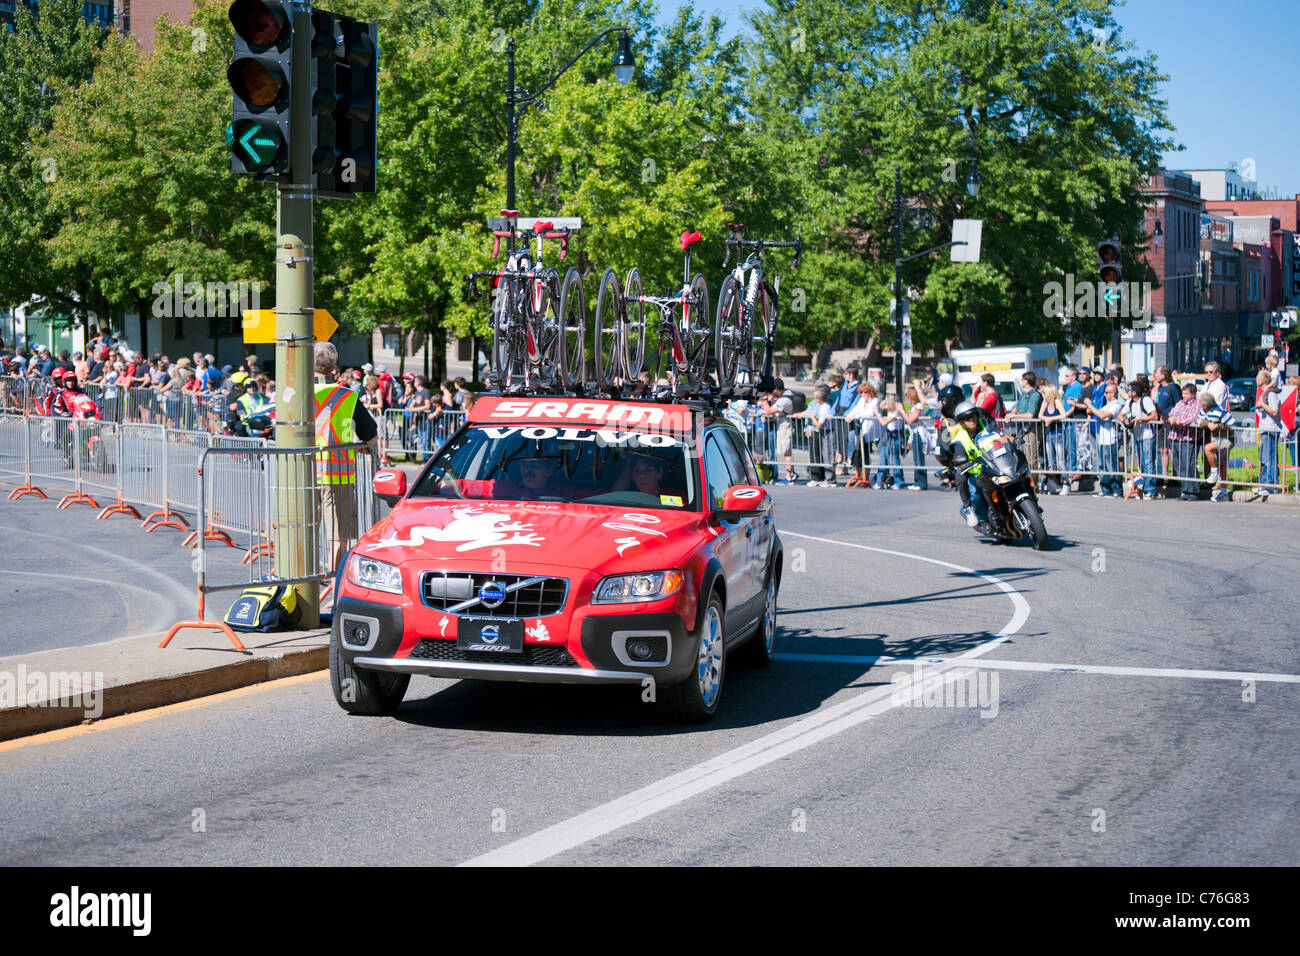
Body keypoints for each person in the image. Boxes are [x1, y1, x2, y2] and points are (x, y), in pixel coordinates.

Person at [315, 342, 382, 571]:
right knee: (338, 536)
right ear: (334, 367)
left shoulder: (294, 393)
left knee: (302, 533)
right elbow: (371, 436)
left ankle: (304, 585)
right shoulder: (347, 396)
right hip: (337, 474)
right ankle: (334, 586)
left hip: (299, 474)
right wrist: (359, 445)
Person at [947, 401, 993, 533]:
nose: (971, 419)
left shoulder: (987, 426)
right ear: (962, 422)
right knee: (977, 493)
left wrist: (1008, 439)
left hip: (993, 465)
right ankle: (983, 521)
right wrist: (962, 461)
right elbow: (958, 453)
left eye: (973, 416)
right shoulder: (960, 437)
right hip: (977, 472)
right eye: (967, 418)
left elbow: (999, 435)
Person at [1085, 381, 1124, 498]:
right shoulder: (1107, 404)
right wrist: (1092, 409)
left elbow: (1102, 415)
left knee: (1112, 465)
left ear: (1112, 393)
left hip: (1111, 439)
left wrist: (1091, 406)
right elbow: (1092, 412)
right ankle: (1105, 489)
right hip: (1103, 438)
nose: (1105, 395)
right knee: (1103, 466)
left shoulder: (1116, 405)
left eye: (1106, 393)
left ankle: (1117, 489)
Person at [1121, 378, 1159, 499]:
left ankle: (1150, 490)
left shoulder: (1146, 400)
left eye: (1129, 389)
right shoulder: (1130, 402)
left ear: (1135, 391)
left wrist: (1141, 419)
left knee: (1148, 463)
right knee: (1141, 464)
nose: (1127, 391)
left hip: (1147, 435)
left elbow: (1154, 415)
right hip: (1137, 435)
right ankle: (1144, 488)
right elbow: (1120, 415)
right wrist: (1126, 421)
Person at [1166, 384, 1202, 500]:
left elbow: (1192, 418)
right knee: (1178, 465)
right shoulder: (1180, 403)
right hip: (1176, 437)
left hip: (1189, 439)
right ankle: (1185, 490)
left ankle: (1193, 491)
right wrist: (1173, 419)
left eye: (1186, 394)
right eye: (1183, 393)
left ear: (1193, 394)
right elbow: (1172, 414)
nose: (1183, 396)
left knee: (1189, 464)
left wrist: (1178, 421)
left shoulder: (1196, 405)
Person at [1195, 391, 1233, 500]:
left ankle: (1214, 474)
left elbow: (1231, 423)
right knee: (1221, 464)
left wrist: (1217, 426)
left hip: (1226, 439)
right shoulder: (1204, 411)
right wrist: (1208, 424)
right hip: (1216, 439)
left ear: (1206, 405)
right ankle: (1223, 492)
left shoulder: (1219, 411)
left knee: (1219, 461)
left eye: (1201, 404)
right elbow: (1199, 420)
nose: (1200, 406)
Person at [1004, 371, 1043, 477]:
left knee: (1031, 459)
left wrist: (1014, 416)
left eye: (1022, 380)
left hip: (1031, 430)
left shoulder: (1035, 395)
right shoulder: (1024, 394)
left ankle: (1034, 485)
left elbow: (1030, 415)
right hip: (1021, 430)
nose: (1021, 381)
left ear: (1026, 381)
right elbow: (1016, 408)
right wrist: (1010, 415)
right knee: (1021, 458)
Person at [758, 380, 795, 484]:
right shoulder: (786, 394)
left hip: (785, 427)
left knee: (786, 452)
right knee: (786, 451)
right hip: (783, 425)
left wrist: (765, 400)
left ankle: (789, 477)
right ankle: (792, 474)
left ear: (778, 390)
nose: (772, 395)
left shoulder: (784, 399)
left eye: (773, 392)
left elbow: (769, 411)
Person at [1252, 367, 1282, 498]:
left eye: (1257, 377)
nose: (1256, 379)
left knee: (1270, 458)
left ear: (1262, 380)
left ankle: (1270, 485)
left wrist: (1263, 406)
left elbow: (1274, 411)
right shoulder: (1264, 394)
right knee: (1265, 458)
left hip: (1271, 429)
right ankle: (1265, 483)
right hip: (1265, 428)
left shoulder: (1271, 394)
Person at [1039, 384, 1067, 494]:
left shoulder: (1057, 402)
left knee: (1060, 460)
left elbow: (1063, 415)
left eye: (1044, 392)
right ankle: (1053, 483)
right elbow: (1040, 414)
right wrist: (1046, 418)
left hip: (1058, 433)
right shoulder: (1045, 402)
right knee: (1051, 460)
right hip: (1049, 433)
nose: (1043, 394)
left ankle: (1065, 482)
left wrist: (1051, 419)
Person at [874, 395, 905, 489]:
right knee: (883, 458)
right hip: (888, 434)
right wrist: (883, 403)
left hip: (895, 434)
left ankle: (899, 481)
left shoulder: (897, 410)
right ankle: (880, 480)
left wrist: (877, 413)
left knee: (895, 459)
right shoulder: (891, 408)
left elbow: (883, 422)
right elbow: (880, 406)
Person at [902, 384, 929, 490]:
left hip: (918, 432)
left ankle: (921, 483)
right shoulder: (913, 406)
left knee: (919, 458)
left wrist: (902, 411)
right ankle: (917, 481)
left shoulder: (918, 406)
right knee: (915, 458)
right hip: (913, 432)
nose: (906, 396)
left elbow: (910, 420)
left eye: (907, 394)